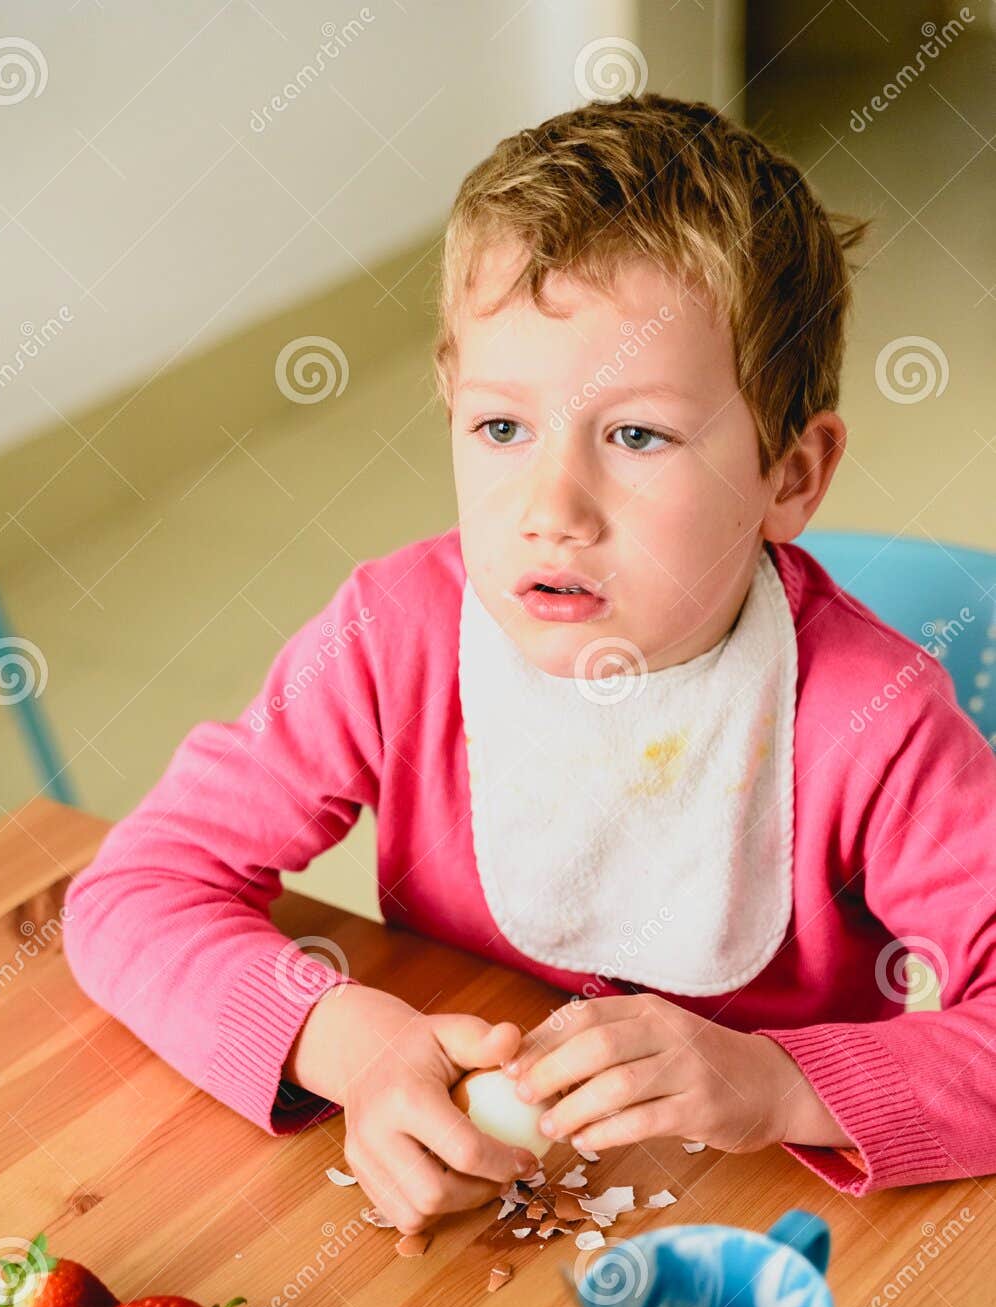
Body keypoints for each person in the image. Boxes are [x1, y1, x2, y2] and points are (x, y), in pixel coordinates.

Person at [63, 93, 996, 1234]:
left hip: (757, 1229)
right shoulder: (389, 637)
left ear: (791, 475)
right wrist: (348, 1042)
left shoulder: (877, 721)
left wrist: (779, 1083)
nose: (551, 511)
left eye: (638, 436)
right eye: (503, 429)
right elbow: (134, 893)